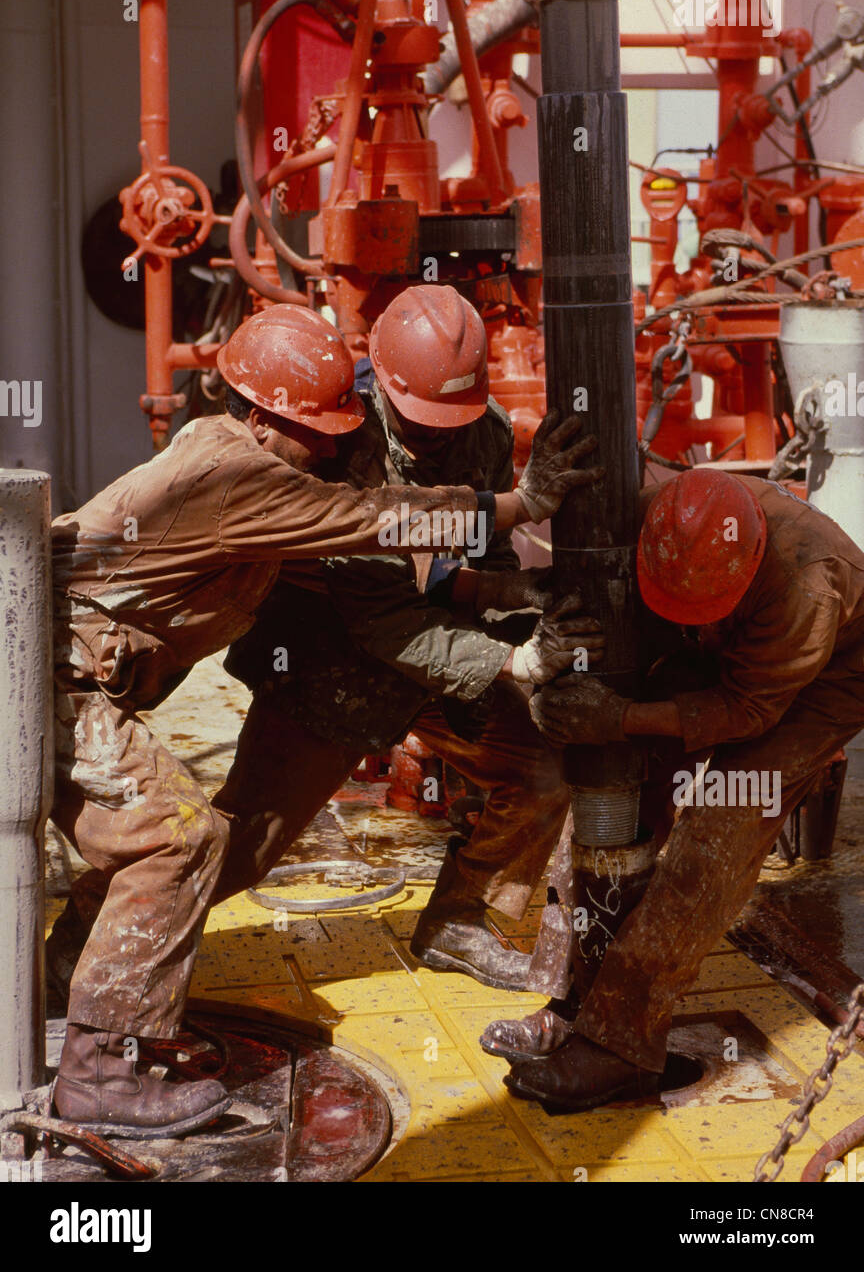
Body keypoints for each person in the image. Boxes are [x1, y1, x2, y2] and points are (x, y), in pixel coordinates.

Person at [48, 302, 594, 1137]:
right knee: (186, 837)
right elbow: (377, 524)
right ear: (266, 419)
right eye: (320, 429)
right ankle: (99, 1060)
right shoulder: (241, 473)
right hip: (56, 672)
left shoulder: (256, 454)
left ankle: (79, 1006)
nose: (335, 446)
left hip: (70, 667)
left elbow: (431, 565)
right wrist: (518, 507)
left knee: (184, 839)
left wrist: (512, 590)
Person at [213, 284, 605, 990]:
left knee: (542, 762)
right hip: (326, 657)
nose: (437, 436)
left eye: (450, 419)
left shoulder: (477, 428)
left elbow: (484, 555)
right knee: (246, 844)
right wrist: (514, 661)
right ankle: (94, 946)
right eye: (420, 422)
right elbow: (380, 617)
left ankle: (459, 921)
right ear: (381, 382)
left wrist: (518, 598)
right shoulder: (339, 443)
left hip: (431, 638)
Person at [482, 469, 864, 1111]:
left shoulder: (807, 584)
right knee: (610, 788)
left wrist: (619, 715)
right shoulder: (650, 511)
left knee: (720, 827)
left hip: (824, 680)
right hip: (707, 637)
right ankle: (574, 1001)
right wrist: (565, 687)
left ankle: (619, 1045)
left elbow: (746, 710)